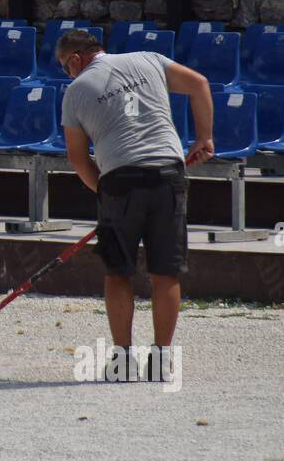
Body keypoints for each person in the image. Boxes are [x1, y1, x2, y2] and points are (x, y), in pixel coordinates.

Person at [55, 27, 214, 381]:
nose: (66, 73)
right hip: (167, 175)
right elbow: (200, 83)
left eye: (64, 66)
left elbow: (78, 159)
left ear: (76, 59)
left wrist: (104, 191)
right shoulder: (149, 59)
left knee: (118, 272)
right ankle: (162, 360)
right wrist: (204, 137)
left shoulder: (76, 91)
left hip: (119, 181)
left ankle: (123, 360)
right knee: (166, 270)